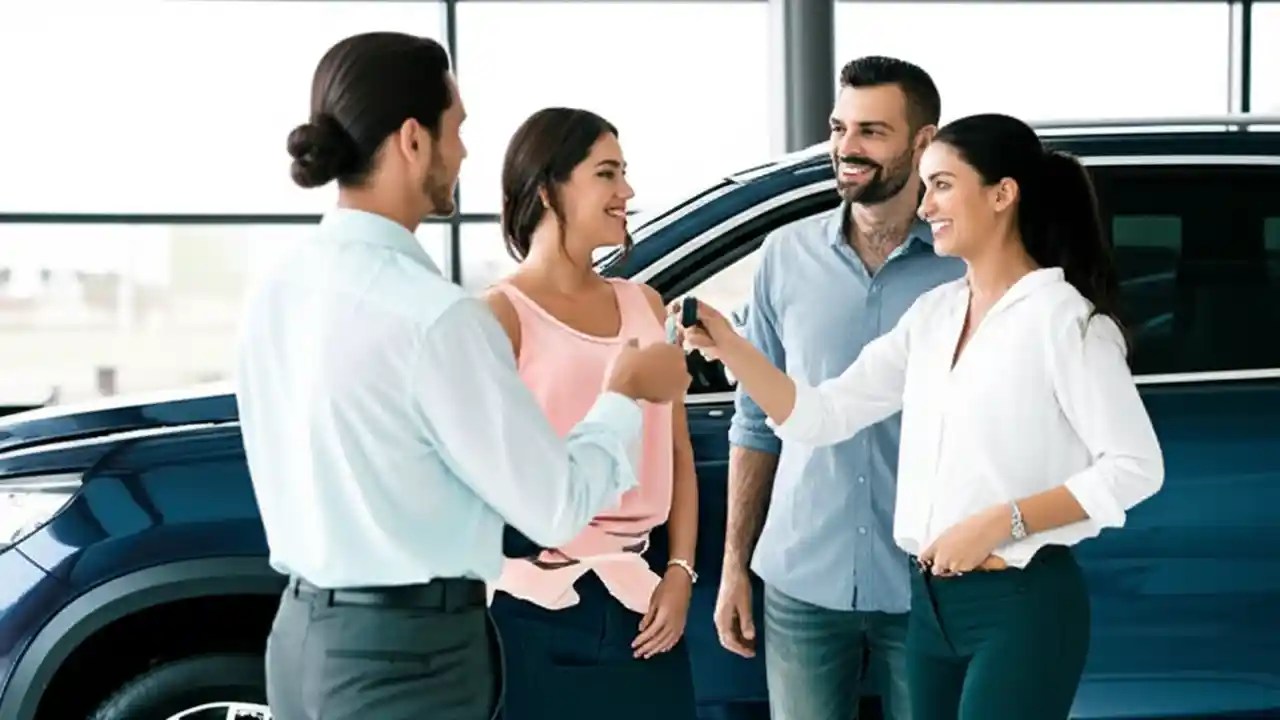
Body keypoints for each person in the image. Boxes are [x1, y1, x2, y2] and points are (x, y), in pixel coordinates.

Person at [234, 33, 691, 720]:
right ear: (414, 140)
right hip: (410, 652)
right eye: (459, 130)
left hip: (304, 635)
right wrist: (623, 392)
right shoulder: (439, 318)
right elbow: (556, 507)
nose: (466, 153)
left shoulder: (279, 290)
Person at [675, 112, 1165, 720]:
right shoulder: (934, 315)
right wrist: (734, 348)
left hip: (1021, 604)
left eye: (942, 185)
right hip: (929, 605)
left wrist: (1001, 523)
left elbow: (1135, 468)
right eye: (926, 185)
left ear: (1002, 195)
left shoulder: (1064, 321)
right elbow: (825, 416)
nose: (925, 204)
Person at [714, 56, 962, 720]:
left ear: (922, 142)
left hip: (929, 586)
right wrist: (735, 564)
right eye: (838, 126)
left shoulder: (966, 270)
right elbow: (756, 420)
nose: (847, 148)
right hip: (802, 580)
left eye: (872, 132)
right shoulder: (784, 257)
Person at [482, 107, 700, 720]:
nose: (626, 192)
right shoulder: (501, 315)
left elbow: (676, 454)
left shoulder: (645, 304)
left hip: (644, 600)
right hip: (529, 610)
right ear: (548, 187)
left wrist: (680, 573)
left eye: (625, 173)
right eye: (608, 173)